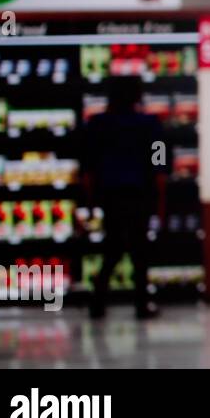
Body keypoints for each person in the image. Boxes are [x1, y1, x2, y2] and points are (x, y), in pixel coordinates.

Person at [82, 76, 166, 320]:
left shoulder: (96, 124)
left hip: (110, 194)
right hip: (139, 194)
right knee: (140, 250)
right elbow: (158, 162)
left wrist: (89, 205)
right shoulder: (151, 124)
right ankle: (142, 303)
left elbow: (88, 168)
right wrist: (160, 200)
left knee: (113, 247)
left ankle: (98, 300)